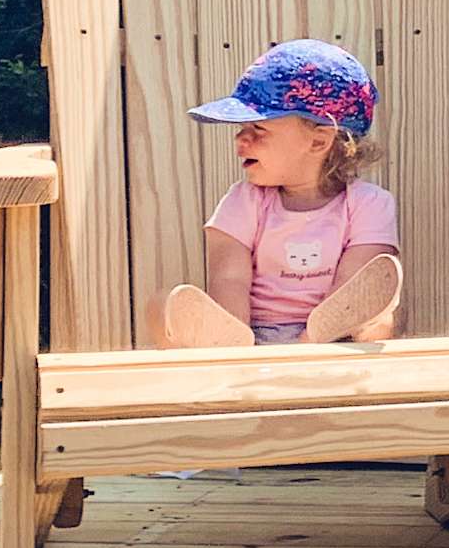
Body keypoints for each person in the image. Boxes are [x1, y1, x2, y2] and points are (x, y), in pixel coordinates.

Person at [155, 38, 403, 345]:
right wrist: (238, 339)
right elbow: (229, 279)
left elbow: (354, 285)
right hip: (252, 338)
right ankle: (227, 350)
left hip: (336, 340)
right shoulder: (243, 201)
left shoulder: (369, 204)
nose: (240, 140)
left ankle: (316, 343)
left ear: (318, 142)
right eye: (242, 129)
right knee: (161, 304)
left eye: (258, 129)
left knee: (377, 319)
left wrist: (311, 340)